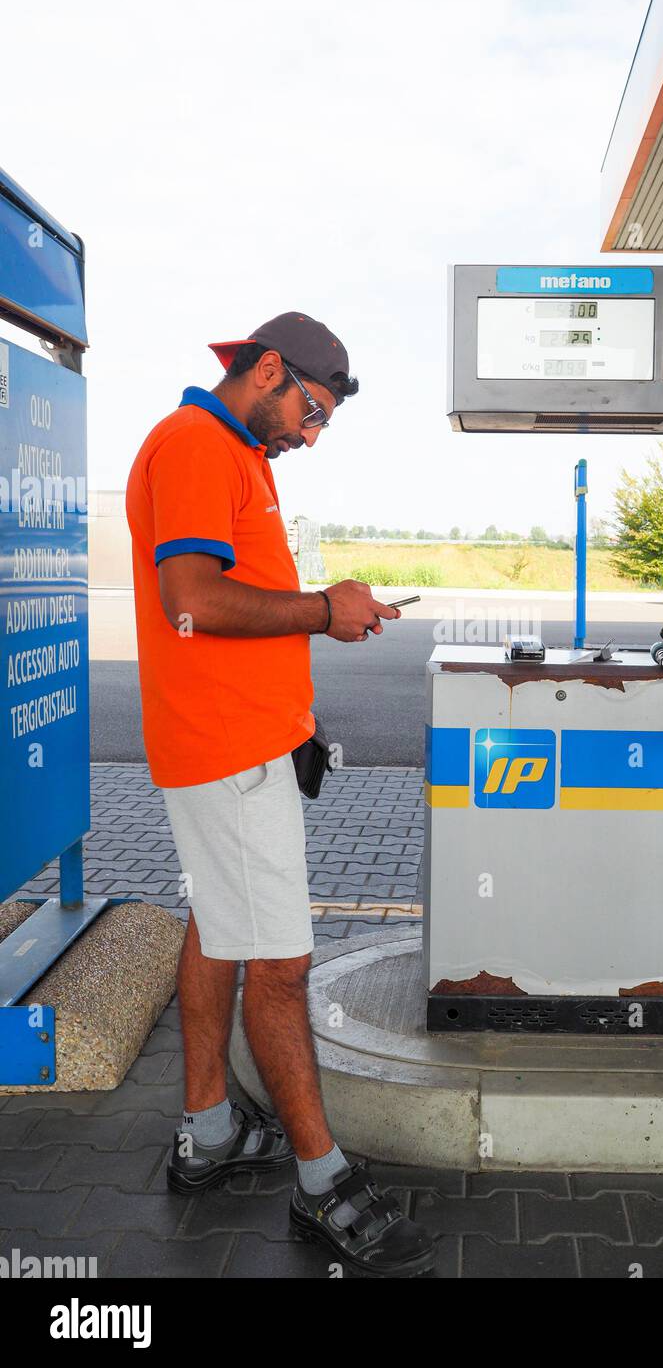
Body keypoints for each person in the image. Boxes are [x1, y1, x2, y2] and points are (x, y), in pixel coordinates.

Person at [125, 312, 435, 1278]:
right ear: (267, 371)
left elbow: (231, 603)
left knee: (217, 932)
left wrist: (296, 716)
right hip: (227, 760)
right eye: (311, 412)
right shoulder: (194, 446)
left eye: (322, 424)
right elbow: (193, 601)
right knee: (282, 967)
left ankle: (209, 1133)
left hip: (247, 747)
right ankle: (323, 1184)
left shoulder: (238, 452)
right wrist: (323, 611)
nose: (309, 434)